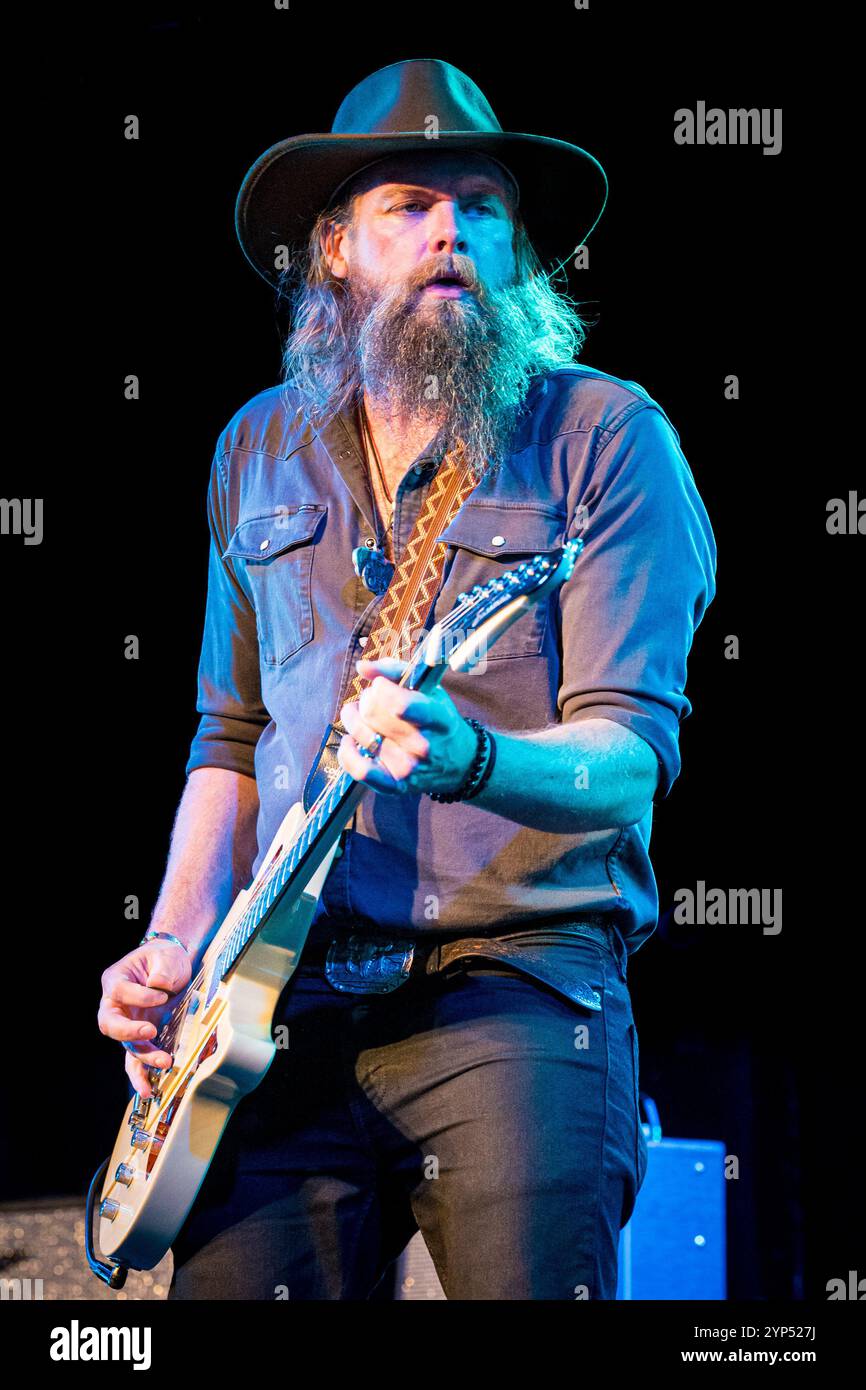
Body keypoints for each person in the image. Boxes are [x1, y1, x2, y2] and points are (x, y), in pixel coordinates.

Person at [97, 58, 717, 1300]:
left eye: (479, 207)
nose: (449, 232)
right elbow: (226, 739)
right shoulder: (255, 446)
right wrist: (170, 947)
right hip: (278, 1008)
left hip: (520, 991)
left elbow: (629, 758)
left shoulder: (604, 439)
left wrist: (473, 758)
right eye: (408, 207)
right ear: (333, 249)